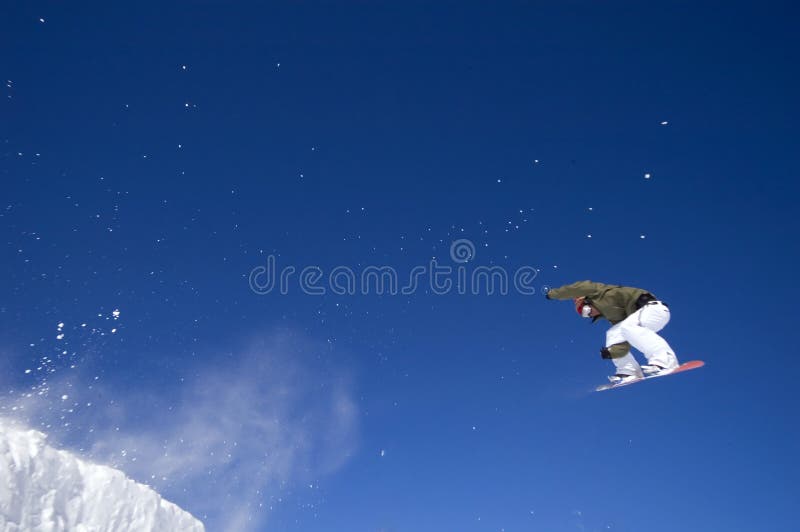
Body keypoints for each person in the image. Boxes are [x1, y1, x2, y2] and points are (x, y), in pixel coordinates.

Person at [545, 280, 679, 384]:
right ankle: (628, 371)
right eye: (586, 315)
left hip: (654, 310)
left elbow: (576, 289)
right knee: (613, 333)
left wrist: (553, 294)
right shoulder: (614, 316)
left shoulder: (598, 292)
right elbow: (624, 340)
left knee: (628, 327)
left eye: (586, 310)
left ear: (587, 301)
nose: (589, 314)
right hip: (639, 317)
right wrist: (613, 352)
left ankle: (666, 360)